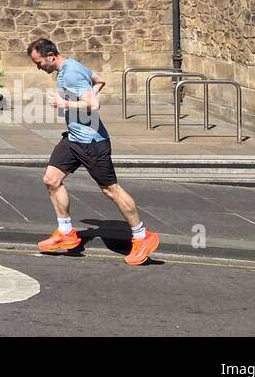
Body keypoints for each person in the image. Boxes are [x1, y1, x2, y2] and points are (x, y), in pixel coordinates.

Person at [26, 38, 160, 265]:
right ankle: (66, 233)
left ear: (50, 56)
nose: (38, 67)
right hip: (73, 139)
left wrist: (65, 103)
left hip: (92, 142)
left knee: (111, 190)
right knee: (51, 179)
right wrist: (89, 94)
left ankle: (141, 236)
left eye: (38, 62)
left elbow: (93, 105)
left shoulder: (71, 73)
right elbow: (100, 80)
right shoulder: (72, 67)